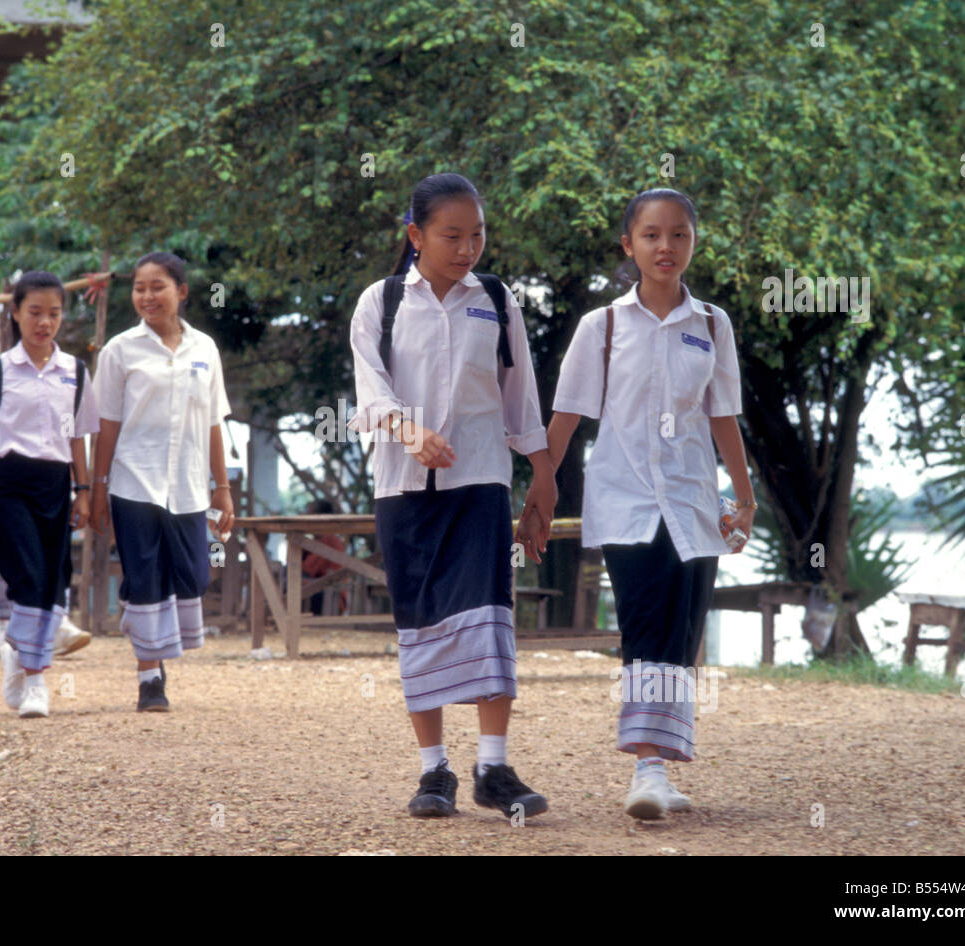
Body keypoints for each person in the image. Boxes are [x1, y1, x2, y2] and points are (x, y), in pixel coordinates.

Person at [349, 172, 556, 819]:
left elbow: (520, 397)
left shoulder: (495, 299)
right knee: (422, 622)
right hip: (403, 488)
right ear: (415, 236)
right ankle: (433, 772)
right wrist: (409, 431)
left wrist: (543, 479)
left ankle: (493, 768)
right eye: (452, 236)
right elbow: (371, 392)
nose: (467, 249)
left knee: (490, 617)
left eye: (478, 235)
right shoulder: (379, 304)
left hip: (482, 483)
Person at [545, 188, 755, 819]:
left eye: (679, 235)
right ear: (628, 245)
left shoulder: (713, 325)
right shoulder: (601, 327)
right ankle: (648, 768)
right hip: (626, 500)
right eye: (652, 236)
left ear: (694, 241)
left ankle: (659, 766)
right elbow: (567, 416)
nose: (666, 247)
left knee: (683, 628)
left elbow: (723, 418)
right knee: (644, 626)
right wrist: (540, 490)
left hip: (694, 504)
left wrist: (743, 499)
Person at [90, 252, 234, 712]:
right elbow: (107, 425)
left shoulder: (205, 349)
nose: (147, 296)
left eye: (158, 287)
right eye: (139, 287)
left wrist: (222, 486)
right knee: (143, 573)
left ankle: (147, 637)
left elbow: (214, 422)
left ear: (181, 292)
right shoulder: (119, 351)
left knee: (193, 574)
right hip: (134, 482)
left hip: (189, 485)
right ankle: (149, 677)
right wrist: (97, 486)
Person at [0, 271, 99, 719]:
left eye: (53, 314)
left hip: (57, 486)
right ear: (16, 313)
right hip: (10, 486)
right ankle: (32, 670)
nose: (44, 322)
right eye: (35, 312)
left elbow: (78, 438)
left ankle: (24, 668)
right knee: (28, 577)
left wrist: (83, 491)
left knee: (51, 582)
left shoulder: (75, 372)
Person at [301, 499, 346, 616]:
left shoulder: (329, 539)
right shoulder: (317, 541)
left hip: (331, 595)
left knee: (291, 583)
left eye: (309, 516)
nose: (305, 521)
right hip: (321, 589)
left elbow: (307, 569)